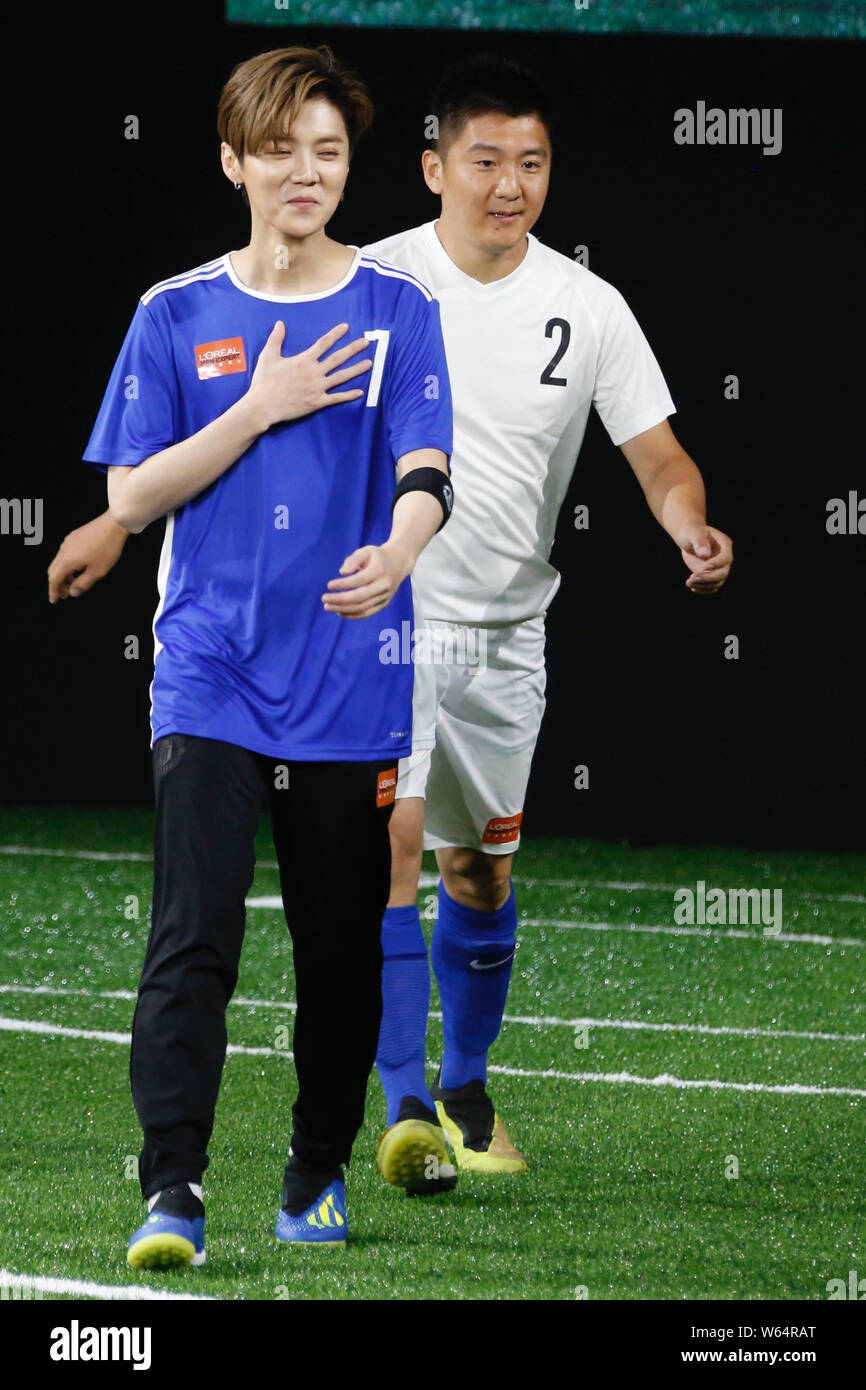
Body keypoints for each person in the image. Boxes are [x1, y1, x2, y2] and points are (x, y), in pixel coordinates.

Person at [51, 53, 733, 1199]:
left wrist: (686, 524)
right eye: (485, 161)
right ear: (433, 169)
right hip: (347, 633)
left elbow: (644, 452)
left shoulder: (555, 305)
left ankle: (448, 1089)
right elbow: (176, 452)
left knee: (472, 873)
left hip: (491, 630)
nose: (509, 184)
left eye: (531, 163)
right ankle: (374, 1116)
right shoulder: (328, 285)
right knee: (370, 853)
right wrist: (124, 517)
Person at [79, 44, 453, 1264]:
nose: (306, 170)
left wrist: (397, 552)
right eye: (280, 147)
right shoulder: (173, 312)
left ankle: (313, 1173)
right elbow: (132, 496)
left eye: (329, 149)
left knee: (337, 947)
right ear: (233, 158)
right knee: (192, 933)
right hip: (208, 670)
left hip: (347, 676)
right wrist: (259, 404)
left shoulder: (400, 312)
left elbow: (424, 470)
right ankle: (172, 1191)